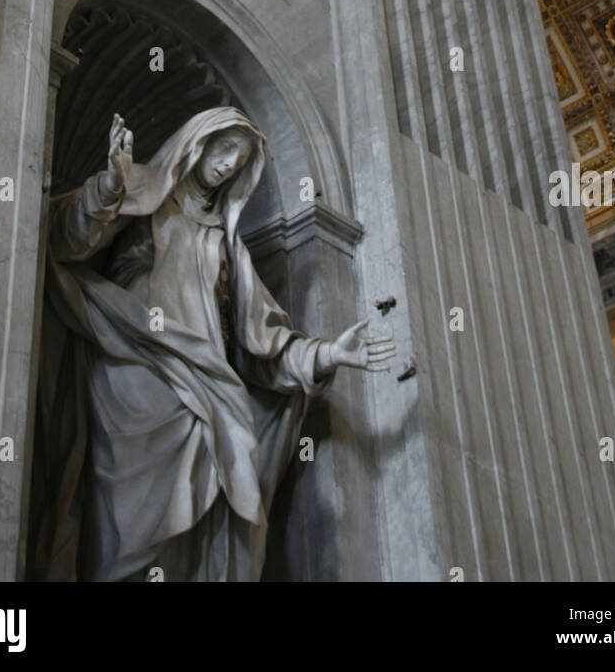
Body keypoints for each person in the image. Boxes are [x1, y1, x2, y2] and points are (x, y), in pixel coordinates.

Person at [31, 107, 393, 581]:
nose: (227, 165)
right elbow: (65, 242)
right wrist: (108, 186)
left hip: (205, 386)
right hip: (134, 368)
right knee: (122, 522)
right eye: (223, 149)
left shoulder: (226, 242)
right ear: (197, 143)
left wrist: (327, 354)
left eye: (239, 161)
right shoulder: (142, 189)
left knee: (212, 492)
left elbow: (262, 341)